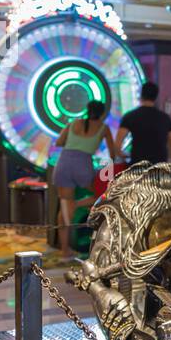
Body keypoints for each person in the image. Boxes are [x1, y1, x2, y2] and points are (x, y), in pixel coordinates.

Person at [53, 101, 119, 258]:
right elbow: (112, 154)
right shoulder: (104, 128)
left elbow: (59, 142)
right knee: (101, 196)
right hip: (83, 165)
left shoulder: (73, 123)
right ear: (102, 114)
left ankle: (65, 251)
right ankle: (77, 205)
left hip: (64, 163)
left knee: (63, 207)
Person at [116, 81, 171, 166]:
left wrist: (124, 155)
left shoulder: (130, 117)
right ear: (156, 97)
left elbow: (117, 145)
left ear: (141, 95)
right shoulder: (165, 118)